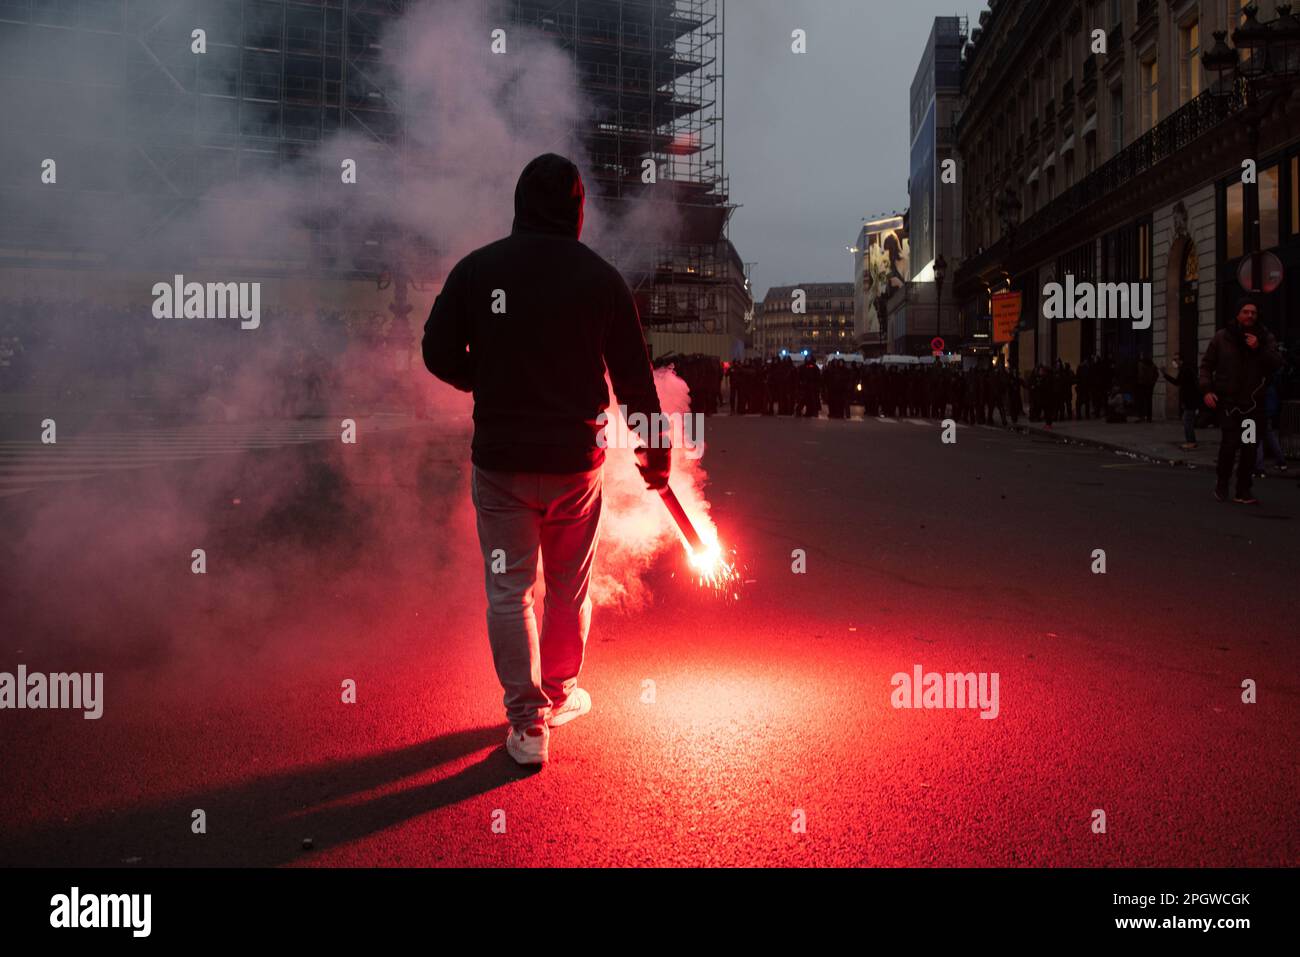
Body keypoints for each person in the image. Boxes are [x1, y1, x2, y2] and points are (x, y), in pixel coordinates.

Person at [423, 154, 668, 766]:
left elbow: (436, 351)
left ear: (518, 204)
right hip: (574, 461)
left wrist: (486, 378)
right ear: (577, 209)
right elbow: (636, 383)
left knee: (509, 590)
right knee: (566, 587)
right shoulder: (601, 279)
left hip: (502, 459)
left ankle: (527, 724)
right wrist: (655, 454)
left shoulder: (479, 270)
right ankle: (558, 692)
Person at [1200, 294, 1284, 504]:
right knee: (1229, 445)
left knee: (1249, 448)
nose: (1249, 316)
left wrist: (1259, 348)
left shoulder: (1265, 337)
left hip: (1252, 404)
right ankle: (1222, 484)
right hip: (1228, 403)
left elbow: (1276, 363)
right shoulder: (1222, 337)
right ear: (1238, 314)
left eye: (1253, 313)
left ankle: (1243, 490)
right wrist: (1207, 390)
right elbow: (1206, 366)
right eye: (1245, 312)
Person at [1162, 353, 1201, 450]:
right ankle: (1191, 441)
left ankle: (1191, 442)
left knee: (1187, 421)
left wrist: (1165, 374)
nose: (1174, 362)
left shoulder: (1185, 370)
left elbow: (1178, 382)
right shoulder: (1185, 369)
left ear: (1181, 360)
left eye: (1176, 360)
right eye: (1173, 360)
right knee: (1187, 420)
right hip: (1190, 400)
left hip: (1190, 400)